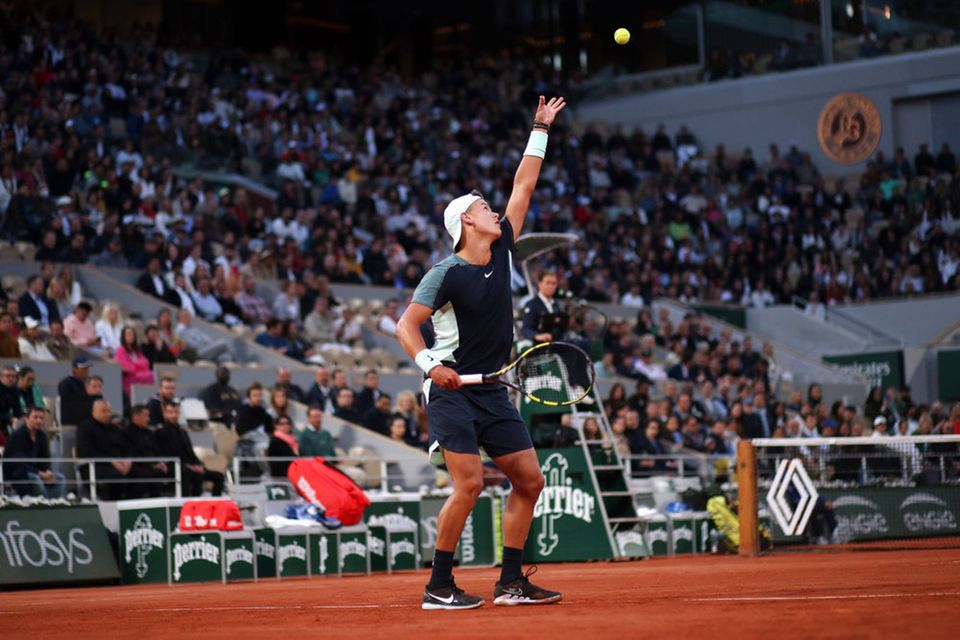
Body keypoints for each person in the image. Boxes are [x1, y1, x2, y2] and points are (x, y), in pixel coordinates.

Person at [395, 95, 565, 609]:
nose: (494, 210)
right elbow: (406, 325)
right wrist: (431, 365)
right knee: (467, 485)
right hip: (450, 391)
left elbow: (524, 184)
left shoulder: (503, 246)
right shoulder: (445, 274)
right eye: (483, 208)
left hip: (491, 389)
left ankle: (511, 582)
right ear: (466, 224)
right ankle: (437, 586)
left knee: (530, 480)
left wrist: (540, 128)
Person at [156, 400, 224, 496]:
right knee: (190, 473)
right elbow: (166, 456)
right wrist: (189, 466)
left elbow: (191, 453)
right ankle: (189, 503)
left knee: (219, 476)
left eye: (176, 412)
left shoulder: (183, 432)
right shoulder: (161, 433)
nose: (174, 415)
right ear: (165, 414)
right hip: (174, 466)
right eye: (170, 412)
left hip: (189, 466)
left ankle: (215, 505)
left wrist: (199, 465)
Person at [77, 399, 134, 500]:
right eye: (103, 411)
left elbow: (127, 447)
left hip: (119, 465)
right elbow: (86, 452)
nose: (108, 414)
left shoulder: (114, 429)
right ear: (94, 411)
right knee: (116, 477)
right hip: (95, 465)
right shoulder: (85, 427)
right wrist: (111, 462)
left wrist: (128, 461)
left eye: (109, 411)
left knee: (141, 473)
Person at [3, 406, 66, 498]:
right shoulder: (17, 436)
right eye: (35, 417)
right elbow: (18, 462)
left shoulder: (42, 437)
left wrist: (48, 472)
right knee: (36, 479)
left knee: (60, 478)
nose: (39, 421)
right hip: (19, 473)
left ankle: (52, 504)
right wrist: (40, 473)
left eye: (41, 418)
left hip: (38, 471)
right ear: (27, 418)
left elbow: (45, 459)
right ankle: (43, 504)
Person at [124, 404, 169, 498]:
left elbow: (157, 451)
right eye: (146, 416)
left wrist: (161, 462)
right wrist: (151, 465)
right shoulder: (126, 433)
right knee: (153, 473)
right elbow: (130, 454)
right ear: (136, 416)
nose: (148, 419)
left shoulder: (149, 433)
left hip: (152, 466)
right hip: (136, 467)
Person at [115, 325, 155, 400]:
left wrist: (136, 364)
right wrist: (138, 365)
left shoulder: (137, 350)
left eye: (132, 334)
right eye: (128, 334)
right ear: (123, 336)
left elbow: (146, 363)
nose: (131, 336)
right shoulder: (120, 350)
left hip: (141, 374)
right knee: (151, 376)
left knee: (153, 374)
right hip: (129, 378)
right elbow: (128, 368)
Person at [520, 271, 562, 342]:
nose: (551, 286)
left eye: (554, 283)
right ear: (540, 284)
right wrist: (537, 336)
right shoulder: (532, 304)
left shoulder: (555, 305)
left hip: (556, 342)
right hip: (539, 345)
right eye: (548, 283)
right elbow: (526, 329)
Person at [58, 356, 94, 425]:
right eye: (83, 368)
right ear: (75, 369)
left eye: (87, 368)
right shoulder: (66, 383)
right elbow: (68, 407)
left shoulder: (85, 383)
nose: (86, 370)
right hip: (72, 422)